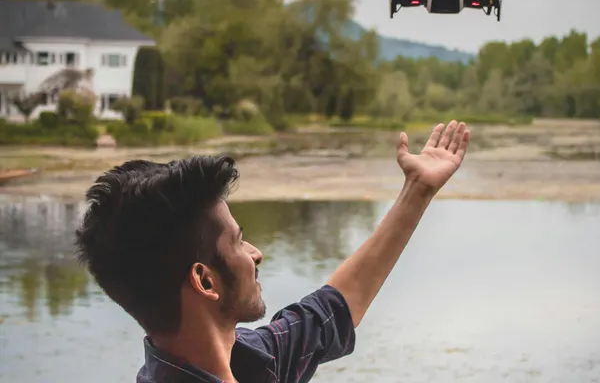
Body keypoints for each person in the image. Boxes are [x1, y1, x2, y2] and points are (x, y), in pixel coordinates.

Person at [75, 120, 471, 383]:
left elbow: (331, 311)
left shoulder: (249, 360)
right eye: (237, 241)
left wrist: (418, 190)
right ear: (204, 279)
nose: (256, 253)